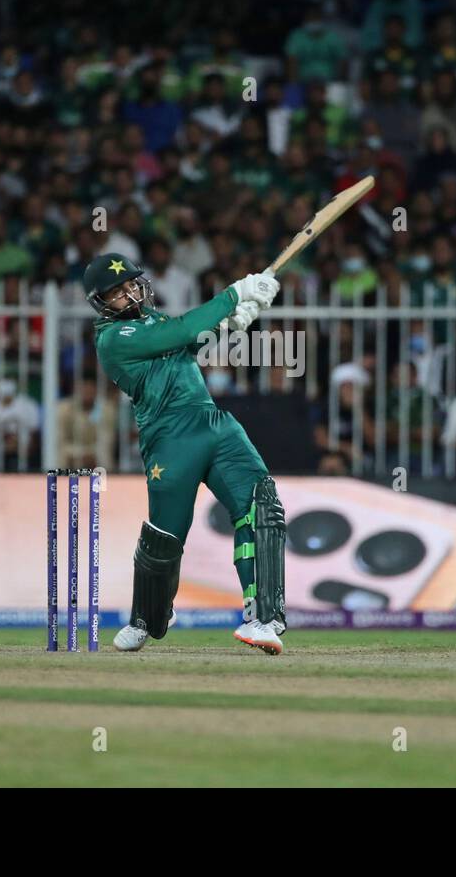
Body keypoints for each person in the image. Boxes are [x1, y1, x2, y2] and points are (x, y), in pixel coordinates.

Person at [83, 253, 286, 654]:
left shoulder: (154, 322)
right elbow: (181, 332)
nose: (129, 293)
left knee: (261, 507)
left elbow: (192, 337)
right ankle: (148, 617)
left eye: (131, 284)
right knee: (166, 536)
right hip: (169, 436)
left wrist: (233, 320)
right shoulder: (112, 339)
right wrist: (235, 294)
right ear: (101, 302)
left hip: (213, 422)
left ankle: (263, 617)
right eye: (117, 292)